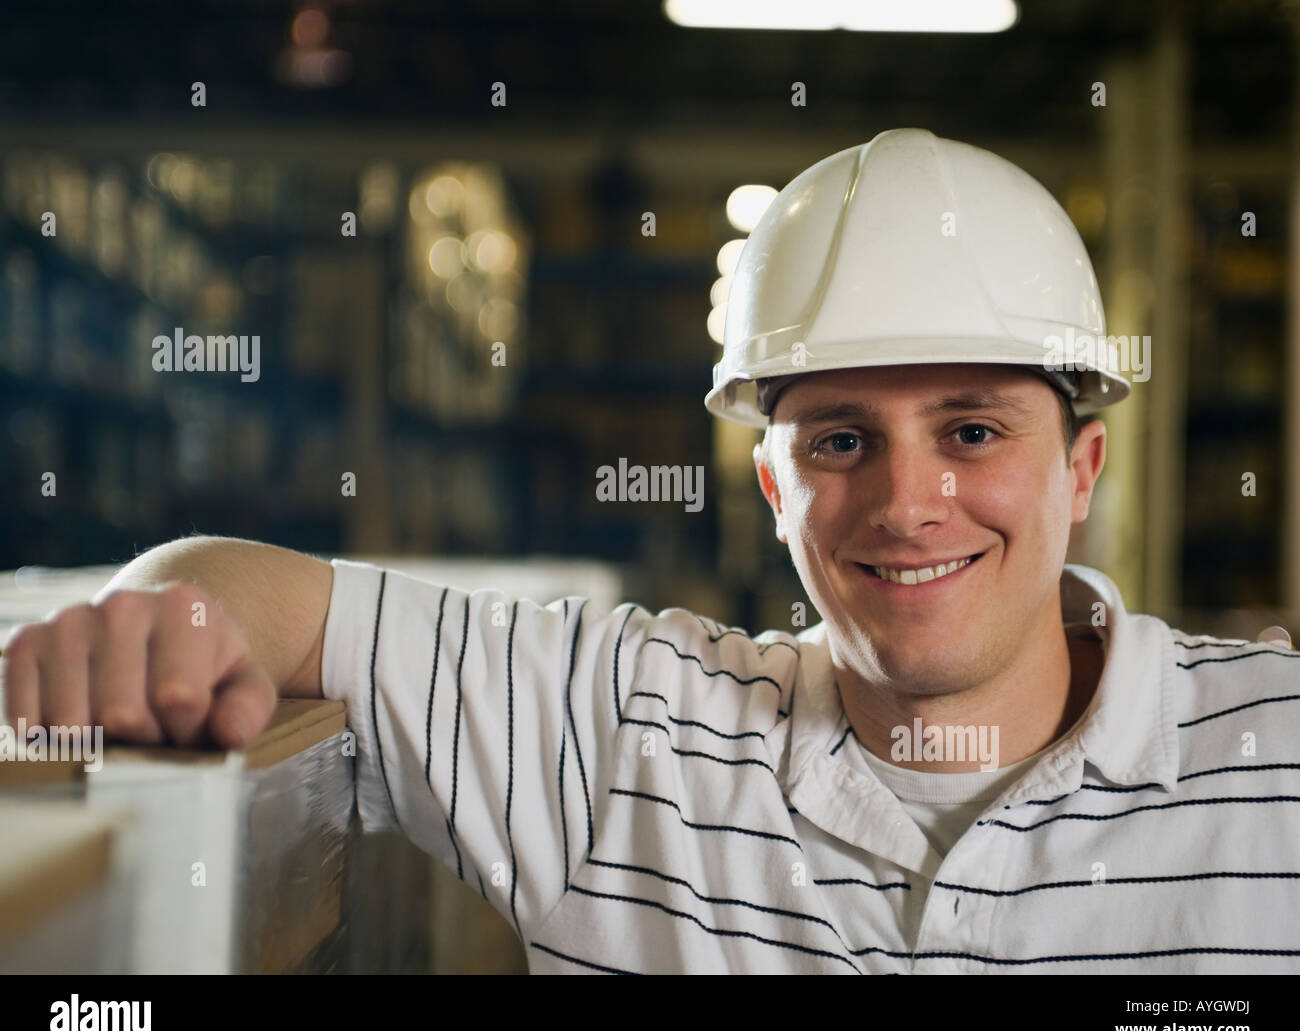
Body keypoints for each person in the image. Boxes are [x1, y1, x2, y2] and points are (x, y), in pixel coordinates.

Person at [5, 129, 1299, 973]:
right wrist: (152, 631)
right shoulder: (629, 735)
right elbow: (252, 588)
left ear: (1082, 465)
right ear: (771, 487)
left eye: (971, 427)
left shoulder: (1275, 761)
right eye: (842, 441)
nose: (910, 502)